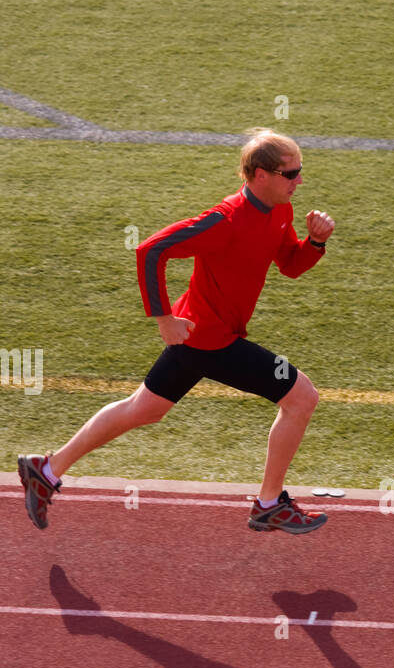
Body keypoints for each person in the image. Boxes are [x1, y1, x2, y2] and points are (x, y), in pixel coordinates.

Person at [17, 128, 335, 534]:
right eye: (291, 174)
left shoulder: (280, 212)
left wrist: (315, 243)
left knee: (144, 409)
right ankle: (269, 503)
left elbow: (290, 265)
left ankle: (46, 468)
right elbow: (151, 250)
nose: (300, 181)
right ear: (260, 174)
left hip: (199, 336)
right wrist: (164, 318)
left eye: (300, 171)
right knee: (301, 397)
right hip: (209, 338)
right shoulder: (225, 220)